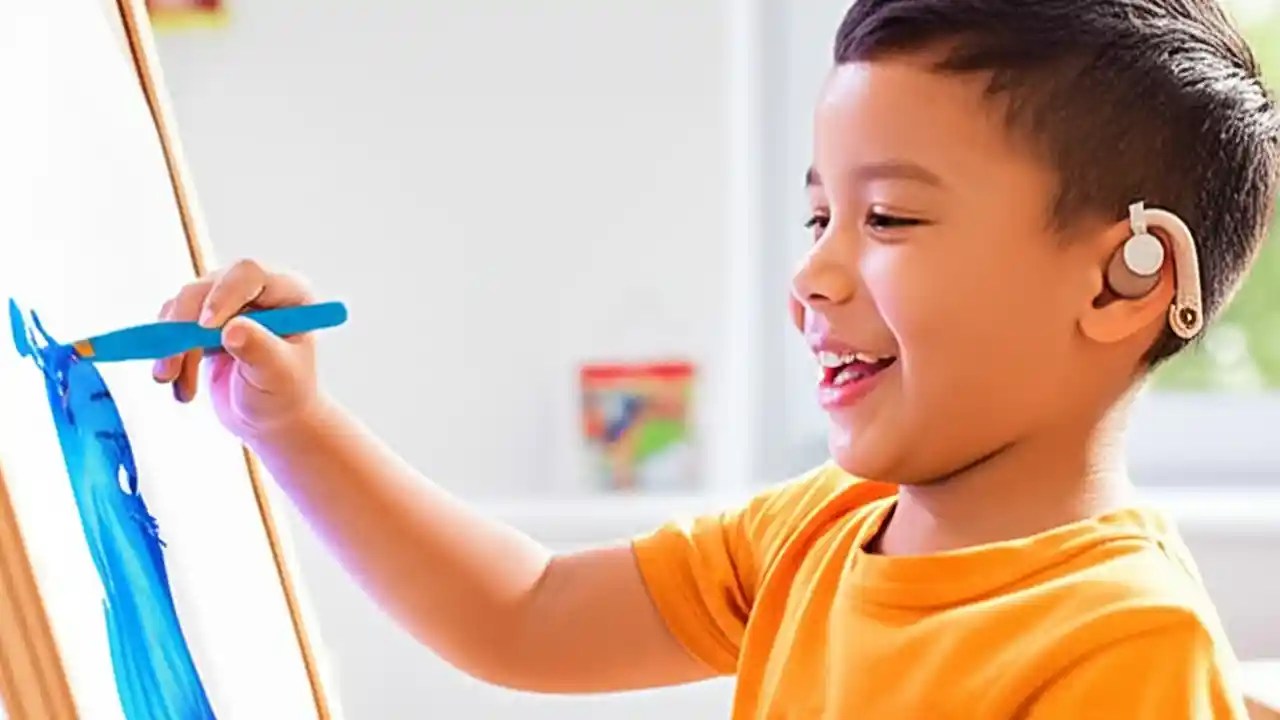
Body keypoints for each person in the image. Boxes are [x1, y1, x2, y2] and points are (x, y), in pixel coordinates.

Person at [154, 0, 1279, 716]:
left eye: (887, 219)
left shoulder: (1121, 644)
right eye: (816, 218)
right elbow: (526, 612)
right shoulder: (819, 528)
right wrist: (292, 426)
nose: (814, 274)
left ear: (1121, 281)